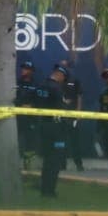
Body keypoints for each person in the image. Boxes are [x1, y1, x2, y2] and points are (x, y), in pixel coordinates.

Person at [36, 65, 70, 197]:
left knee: (47, 160)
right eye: (64, 78)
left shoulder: (40, 86)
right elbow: (60, 108)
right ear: (60, 75)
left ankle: (44, 189)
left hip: (43, 127)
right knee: (55, 160)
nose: (63, 81)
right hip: (56, 130)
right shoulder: (56, 88)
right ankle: (50, 191)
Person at [55, 58, 85, 171]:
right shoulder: (57, 81)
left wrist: (78, 112)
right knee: (60, 142)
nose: (62, 68)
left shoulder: (75, 80)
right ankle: (61, 164)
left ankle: (79, 164)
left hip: (72, 116)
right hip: (60, 116)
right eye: (60, 66)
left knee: (75, 142)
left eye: (64, 66)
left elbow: (79, 96)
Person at [14, 60, 40, 156]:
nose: (23, 70)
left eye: (26, 69)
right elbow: (12, 98)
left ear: (31, 71)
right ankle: (17, 156)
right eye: (23, 68)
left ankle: (29, 159)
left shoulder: (36, 84)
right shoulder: (16, 82)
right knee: (17, 136)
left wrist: (31, 105)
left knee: (30, 137)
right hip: (18, 116)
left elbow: (39, 100)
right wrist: (20, 105)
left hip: (31, 117)